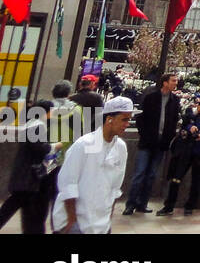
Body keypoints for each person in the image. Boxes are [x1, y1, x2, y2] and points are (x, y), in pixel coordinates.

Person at [53, 96, 134, 234]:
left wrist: (108, 220)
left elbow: (115, 188)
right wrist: (72, 221)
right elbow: (67, 184)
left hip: (101, 224)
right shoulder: (83, 144)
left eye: (129, 119)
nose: (127, 124)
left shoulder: (121, 148)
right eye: (124, 119)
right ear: (109, 119)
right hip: (75, 223)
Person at [0, 100, 60, 234]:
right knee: (14, 205)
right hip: (27, 175)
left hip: (25, 174)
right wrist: (54, 146)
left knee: (23, 207)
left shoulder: (32, 123)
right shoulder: (37, 126)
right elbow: (39, 147)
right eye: (52, 110)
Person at [124, 73, 180, 215]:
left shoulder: (175, 100)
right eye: (173, 81)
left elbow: (174, 120)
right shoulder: (151, 98)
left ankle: (142, 203)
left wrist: (168, 137)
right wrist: (145, 134)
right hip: (147, 143)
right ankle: (130, 204)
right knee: (139, 173)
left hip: (161, 144)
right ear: (165, 83)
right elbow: (140, 118)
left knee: (151, 175)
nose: (175, 83)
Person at [157, 94, 200, 216]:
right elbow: (184, 124)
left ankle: (190, 205)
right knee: (176, 178)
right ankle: (169, 205)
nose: (198, 105)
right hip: (186, 151)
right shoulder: (194, 115)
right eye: (197, 102)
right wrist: (190, 127)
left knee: (196, 180)